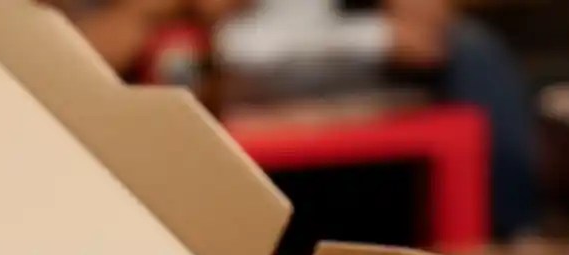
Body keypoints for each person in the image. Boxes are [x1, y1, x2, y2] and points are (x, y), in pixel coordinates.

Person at [216, 0, 540, 239]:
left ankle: (512, 230)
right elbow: (236, 46)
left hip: (376, 75)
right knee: (471, 53)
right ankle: (513, 228)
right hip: (276, 80)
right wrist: (380, 38)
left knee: (473, 49)